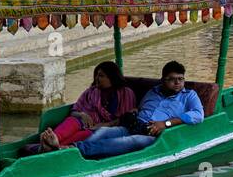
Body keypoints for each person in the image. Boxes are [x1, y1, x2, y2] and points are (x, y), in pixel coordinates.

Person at [75, 61, 203, 159]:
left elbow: (198, 115)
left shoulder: (189, 95)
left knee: (130, 141)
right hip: (135, 125)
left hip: (155, 135)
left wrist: (166, 123)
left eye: (180, 79)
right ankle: (73, 150)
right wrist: (134, 111)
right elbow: (141, 107)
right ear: (163, 80)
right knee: (104, 131)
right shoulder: (154, 91)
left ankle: (79, 152)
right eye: (172, 79)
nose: (177, 83)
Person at [36, 61, 136, 151]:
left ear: (112, 78)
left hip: (99, 130)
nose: (97, 78)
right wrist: (82, 114)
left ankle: (53, 146)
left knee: (86, 134)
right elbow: (74, 111)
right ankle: (53, 138)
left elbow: (125, 118)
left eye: (101, 76)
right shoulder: (91, 91)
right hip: (83, 122)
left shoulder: (125, 93)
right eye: (96, 75)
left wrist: (106, 125)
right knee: (72, 120)